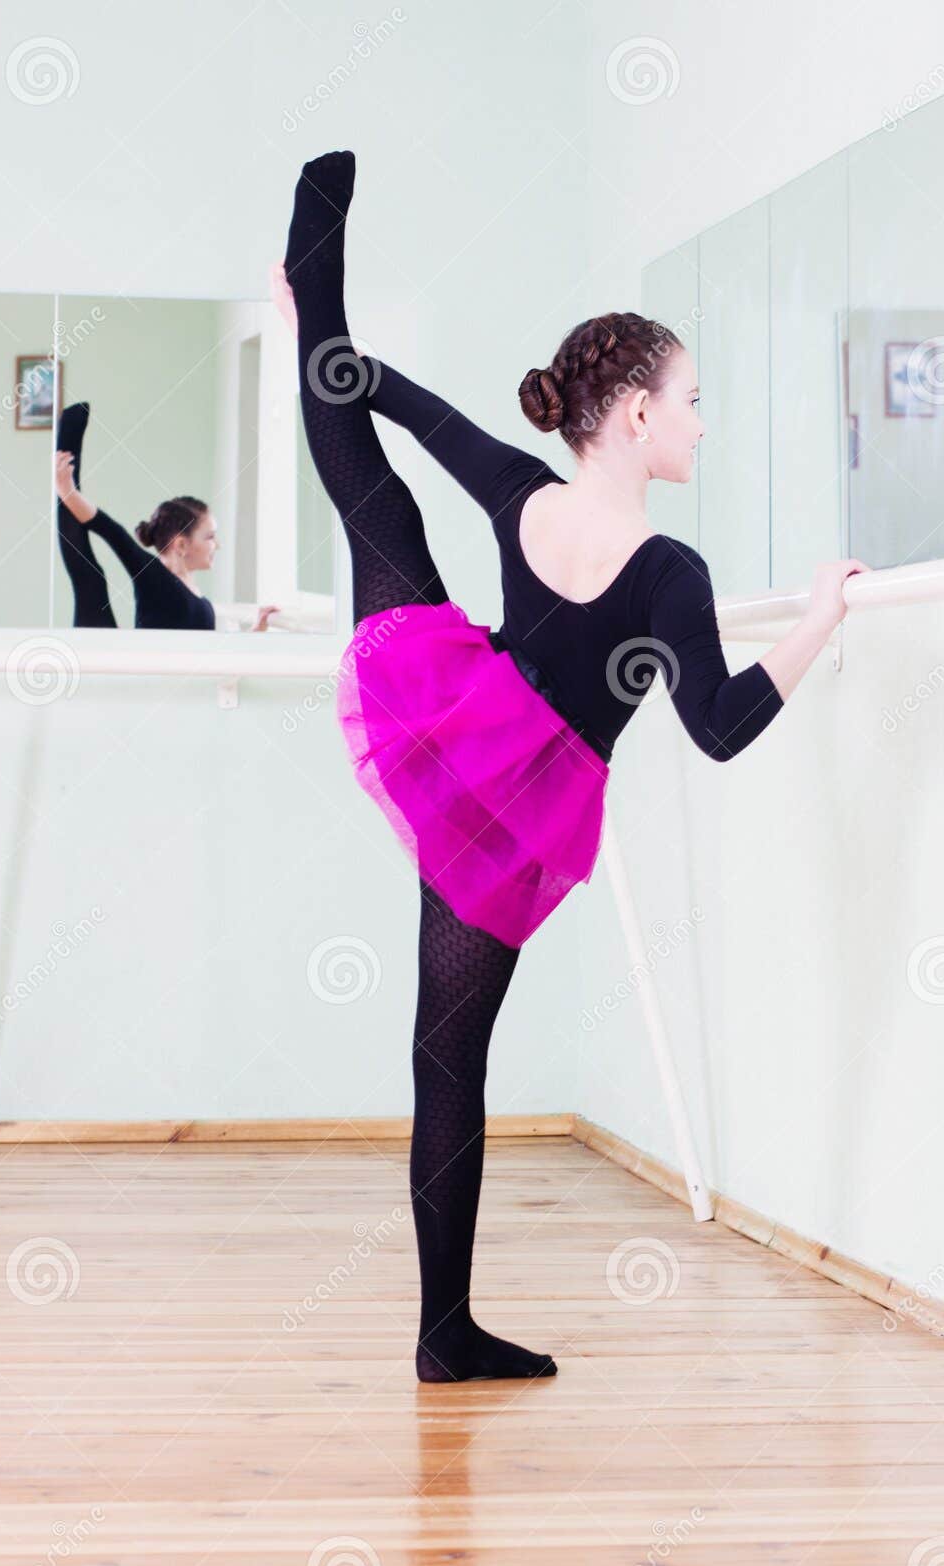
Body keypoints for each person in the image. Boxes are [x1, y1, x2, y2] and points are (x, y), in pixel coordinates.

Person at [281, 149, 869, 1385]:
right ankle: (444, 1336)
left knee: (372, 506)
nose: (705, 421)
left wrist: (330, 348)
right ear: (641, 415)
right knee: (455, 1055)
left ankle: (314, 276)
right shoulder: (671, 574)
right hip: (519, 810)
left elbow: (406, 411)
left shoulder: (526, 490)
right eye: (695, 399)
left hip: (453, 723)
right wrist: (819, 617)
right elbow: (717, 726)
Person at [54, 400, 278, 631]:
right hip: (126, 660)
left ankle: (68, 448)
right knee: (91, 580)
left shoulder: (192, 589)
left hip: (160, 663)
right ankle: (69, 440)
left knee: (91, 581)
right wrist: (67, 492)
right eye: (210, 536)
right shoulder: (154, 575)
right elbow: (111, 530)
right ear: (181, 544)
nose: (217, 545)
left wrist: (256, 631)